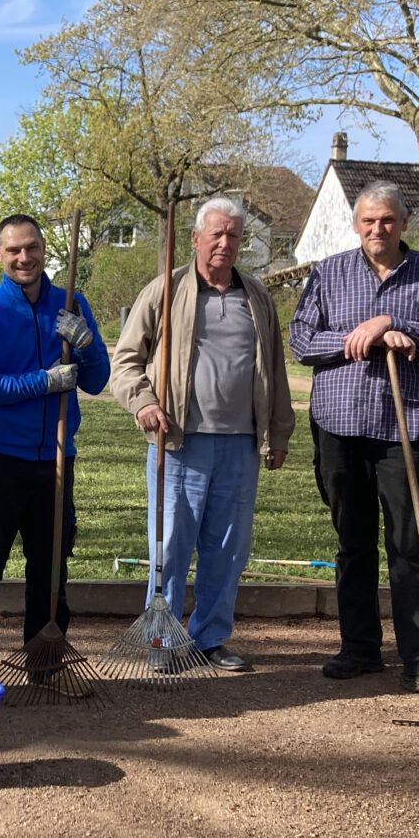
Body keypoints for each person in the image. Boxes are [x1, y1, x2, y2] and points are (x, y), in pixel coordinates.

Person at [289, 182, 419, 704]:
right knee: (353, 543)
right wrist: (356, 341)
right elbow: (300, 340)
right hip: (339, 427)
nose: (377, 230)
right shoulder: (329, 272)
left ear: (403, 223)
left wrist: (396, 323)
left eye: (387, 220)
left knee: (411, 548)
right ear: (356, 224)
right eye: (368, 221)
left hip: (402, 429)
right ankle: (359, 647)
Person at [109, 197, 294, 671]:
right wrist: (145, 402)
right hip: (179, 444)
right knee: (170, 546)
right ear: (195, 239)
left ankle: (210, 637)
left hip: (240, 444)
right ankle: (160, 642)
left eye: (234, 236)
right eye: (216, 234)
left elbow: (273, 368)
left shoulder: (256, 296)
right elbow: (125, 361)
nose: (225, 244)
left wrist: (278, 433)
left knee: (228, 549)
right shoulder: (166, 291)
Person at [0, 213, 111, 680]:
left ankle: (45, 661)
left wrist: (84, 344)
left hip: (56, 459)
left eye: (32, 248)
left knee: (51, 568)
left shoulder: (70, 302)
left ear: (44, 250)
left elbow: (98, 381)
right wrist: (42, 382)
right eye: (14, 249)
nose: (25, 257)